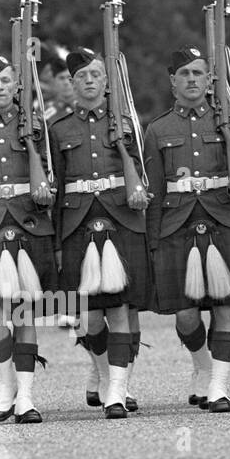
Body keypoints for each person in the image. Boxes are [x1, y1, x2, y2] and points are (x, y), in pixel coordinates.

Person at [143, 45, 230, 414]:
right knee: (186, 313)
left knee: (226, 306)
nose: (192, 80)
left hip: (223, 219)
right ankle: (202, 366)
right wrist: (153, 240)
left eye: (198, 73)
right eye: (184, 74)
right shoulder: (157, 129)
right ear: (172, 82)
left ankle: (220, 386)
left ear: (210, 80)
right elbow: (155, 190)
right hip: (177, 224)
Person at [50, 47, 153, 418]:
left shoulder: (126, 123)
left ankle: (118, 390)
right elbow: (58, 188)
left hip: (122, 220)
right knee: (91, 318)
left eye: (96, 74)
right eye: (82, 77)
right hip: (78, 224)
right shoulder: (58, 130)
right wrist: (57, 241)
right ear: (72, 84)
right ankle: (103, 373)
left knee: (123, 310)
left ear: (107, 80)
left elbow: (143, 172)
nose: (89, 81)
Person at [0, 54, 56, 424]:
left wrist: (48, 192)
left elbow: (52, 174)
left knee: (26, 312)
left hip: (29, 223)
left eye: (6, 81)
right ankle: (5, 382)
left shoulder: (36, 126)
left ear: (17, 86)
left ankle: (26, 397)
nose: (0, 87)